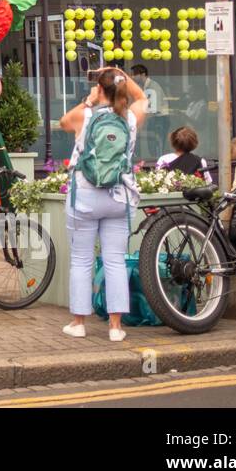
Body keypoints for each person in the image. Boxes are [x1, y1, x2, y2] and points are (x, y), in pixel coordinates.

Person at [58, 67, 148, 342]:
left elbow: (63, 122)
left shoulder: (84, 116)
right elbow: (142, 97)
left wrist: (89, 100)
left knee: (82, 260)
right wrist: (120, 74)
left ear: (100, 89)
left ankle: (78, 322)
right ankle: (115, 327)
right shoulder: (131, 118)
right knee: (115, 261)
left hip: (84, 195)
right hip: (118, 196)